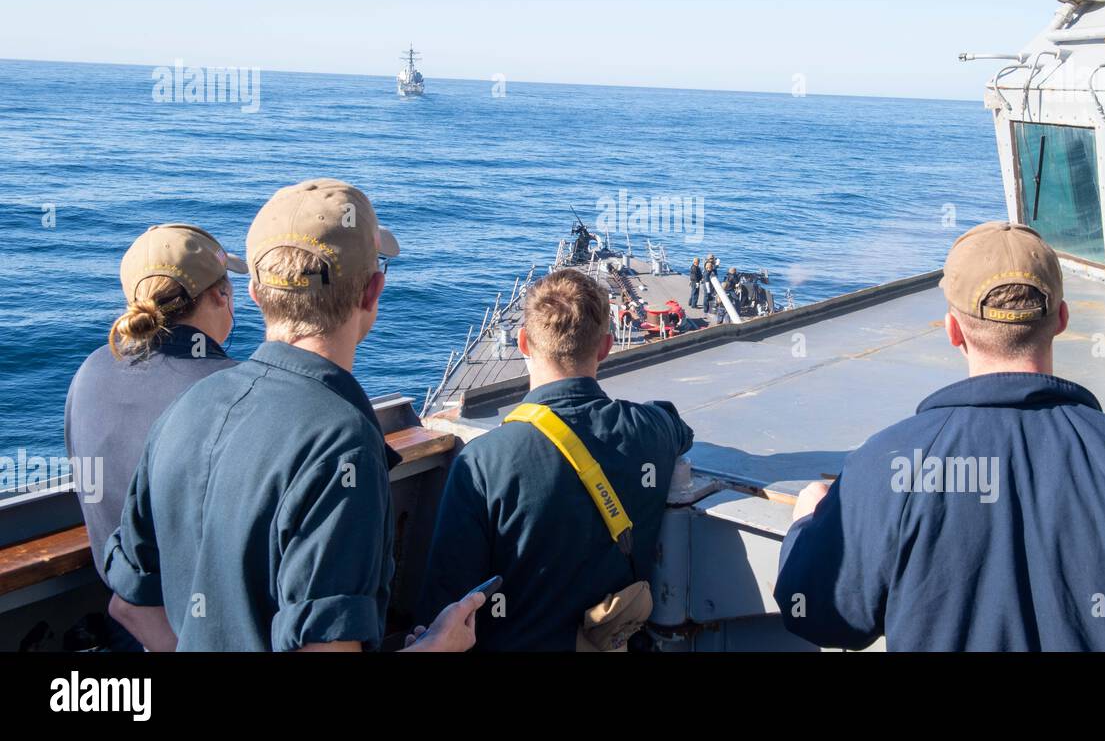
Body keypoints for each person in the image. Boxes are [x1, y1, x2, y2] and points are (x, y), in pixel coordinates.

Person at [776, 221, 1105, 651]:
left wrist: (808, 522)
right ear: (1063, 319)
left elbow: (823, 616)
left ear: (954, 331)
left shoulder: (887, 465)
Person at [103, 179, 482, 652]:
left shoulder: (187, 408)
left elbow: (130, 604)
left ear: (258, 294)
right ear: (373, 291)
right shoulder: (343, 446)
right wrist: (435, 647)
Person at [420, 268, 694, 650]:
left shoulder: (483, 461)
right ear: (605, 347)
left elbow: (448, 607)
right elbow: (677, 425)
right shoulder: (651, 430)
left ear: (523, 343)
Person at [65, 223, 245, 646]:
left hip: (125, 625)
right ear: (221, 296)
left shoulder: (90, 371)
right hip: (203, 633)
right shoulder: (236, 391)